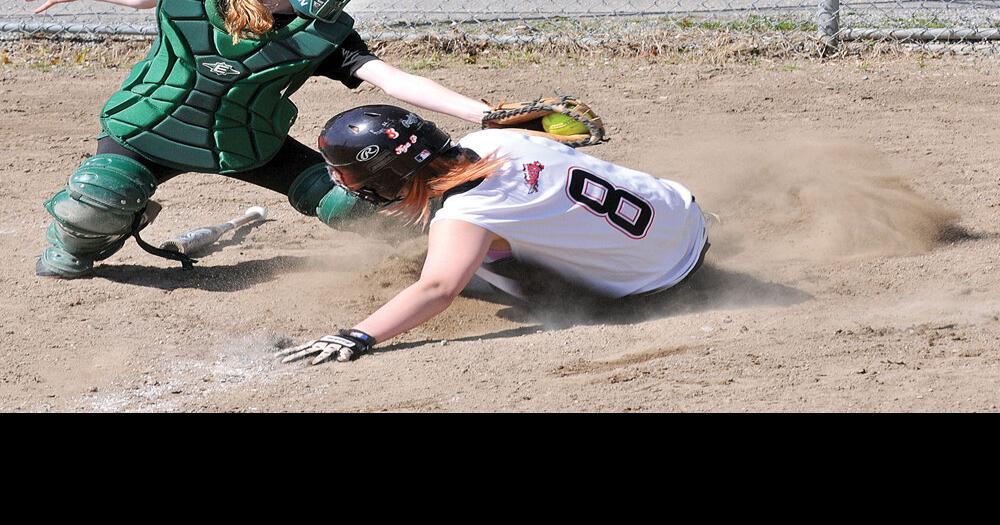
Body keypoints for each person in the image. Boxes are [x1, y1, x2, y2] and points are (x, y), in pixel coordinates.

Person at [29, 0, 491, 277]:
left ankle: (468, 248)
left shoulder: (322, 35)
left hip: (248, 144)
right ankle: (76, 245)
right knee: (94, 204)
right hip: (150, 131)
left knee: (356, 207)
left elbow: (393, 81)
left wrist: (488, 114)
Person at [277, 105, 710, 365]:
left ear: (385, 177)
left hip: (656, 282)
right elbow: (564, 144)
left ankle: (567, 300)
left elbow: (438, 288)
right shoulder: (490, 138)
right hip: (687, 217)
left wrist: (358, 335)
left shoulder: (465, 213)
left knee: (480, 255)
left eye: (351, 176)